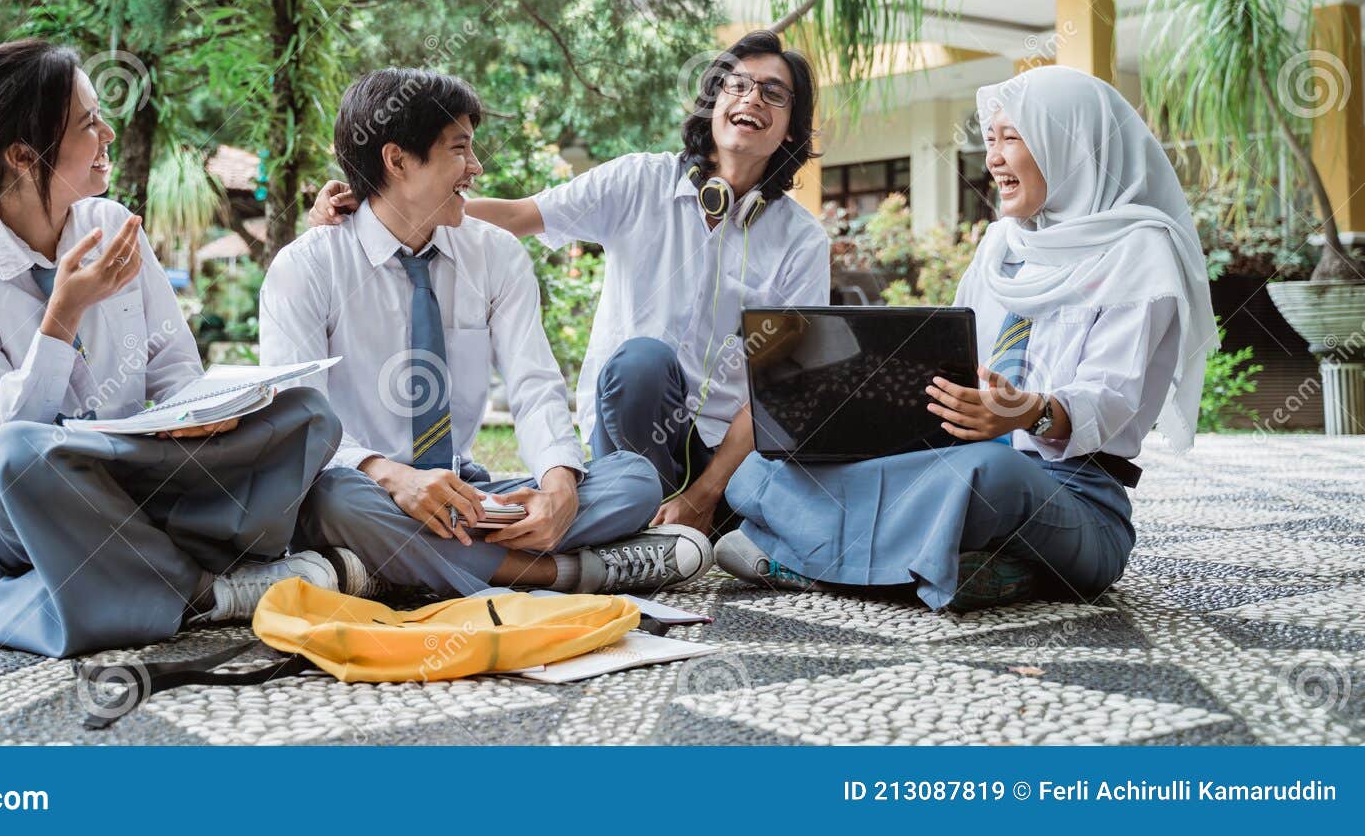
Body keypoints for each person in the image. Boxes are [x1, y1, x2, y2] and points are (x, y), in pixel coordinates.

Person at [715, 65, 1215, 611]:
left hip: (1074, 496)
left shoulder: (1139, 252)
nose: (993, 158)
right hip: (957, 457)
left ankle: (800, 555)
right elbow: (954, 360)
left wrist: (1027, 413)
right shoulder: (1003, 243)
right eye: (990, 140)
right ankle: (948, 567)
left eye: (1012, 139)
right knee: (768, 464)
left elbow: (1112, 399)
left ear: (1070, 145)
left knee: (987, 474)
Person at [0, 39, 354, 659]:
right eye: (88, 122)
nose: (109, 133)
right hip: (21, 511)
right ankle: (209, 591)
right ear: (22, 153)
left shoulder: (113, 227)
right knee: (14, 454)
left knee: (306, 412)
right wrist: (61, 317)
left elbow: (174, 368)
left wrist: (202, 412)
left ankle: (104, 581)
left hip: (132, 476)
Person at [307, 30, 831, 538]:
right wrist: (380, 204)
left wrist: (707, 491)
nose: (750, 98)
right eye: (736, 85)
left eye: (772, 93)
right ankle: (652, 518)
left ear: (789, 128)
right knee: (642, 361)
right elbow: (516, 215)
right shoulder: (638, 180)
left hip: (730, 450)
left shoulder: (802, 241)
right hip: (631, 427)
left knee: (775, 489)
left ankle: (684, 514)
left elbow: (777, 387)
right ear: (713, 103)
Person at [261, 68, 709, 597]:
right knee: (331, 500)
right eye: (460, 148)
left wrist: (558, 483)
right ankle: (563, 573)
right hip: (368, 487)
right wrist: (396, 479)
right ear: (397, 160)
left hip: (465, 493)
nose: (475, 168)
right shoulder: (307, 268)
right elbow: (300, 426)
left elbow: (534, 384)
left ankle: (393, 567)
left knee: (633, 479)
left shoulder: (494, 253)